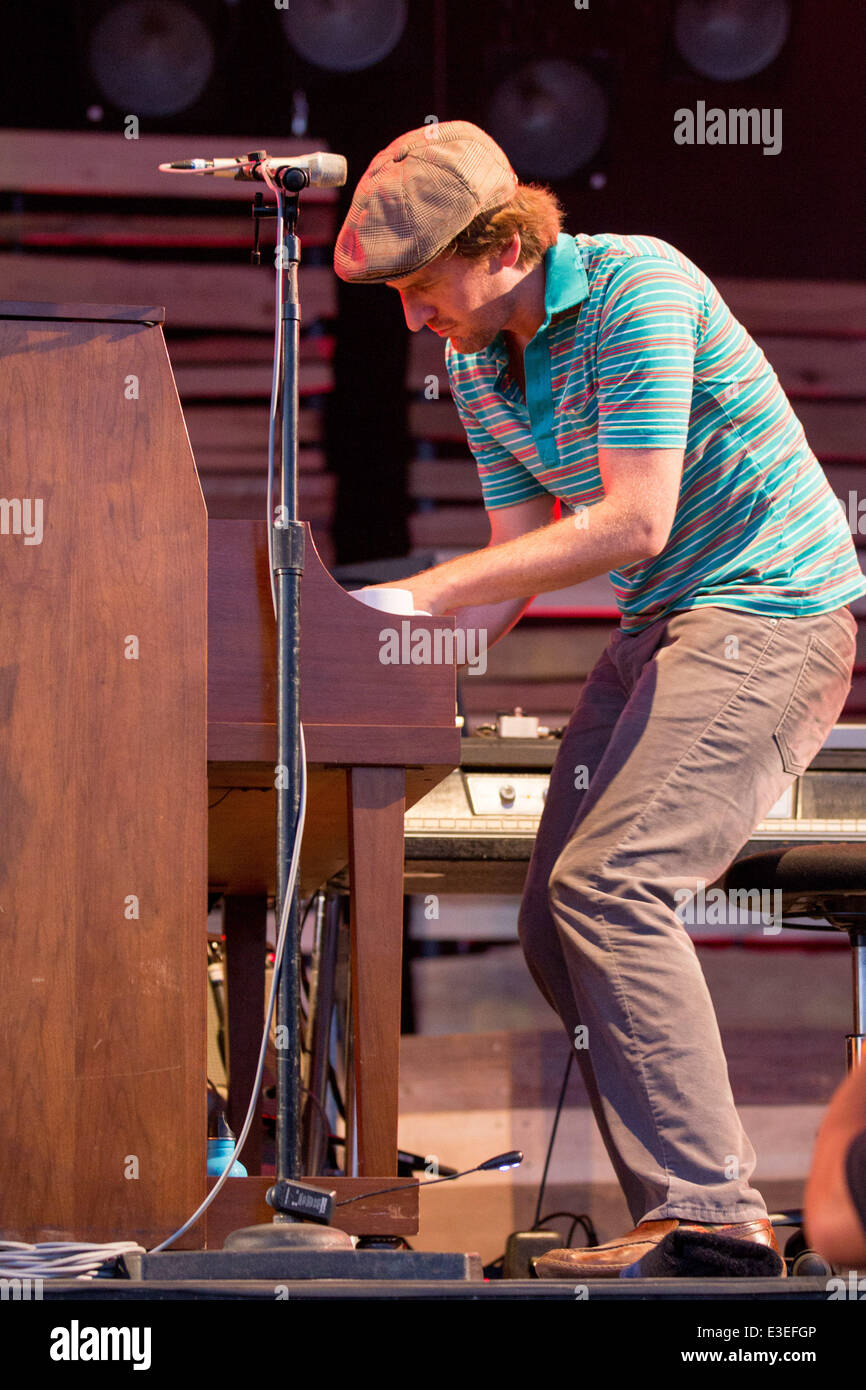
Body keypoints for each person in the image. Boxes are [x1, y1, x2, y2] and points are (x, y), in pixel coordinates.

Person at [333, 119, 866, 1276]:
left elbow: (632, 522)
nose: (414, 320)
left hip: (767, 615)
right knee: (551, 923)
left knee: (610, 883)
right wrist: (364, 672)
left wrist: (416, 595)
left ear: (510, 241)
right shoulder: (481, 363)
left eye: (424, 288)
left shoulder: (638, 287)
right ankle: (686, 1228)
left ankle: (713, 1219)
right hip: (664, 623)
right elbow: (517, 558)